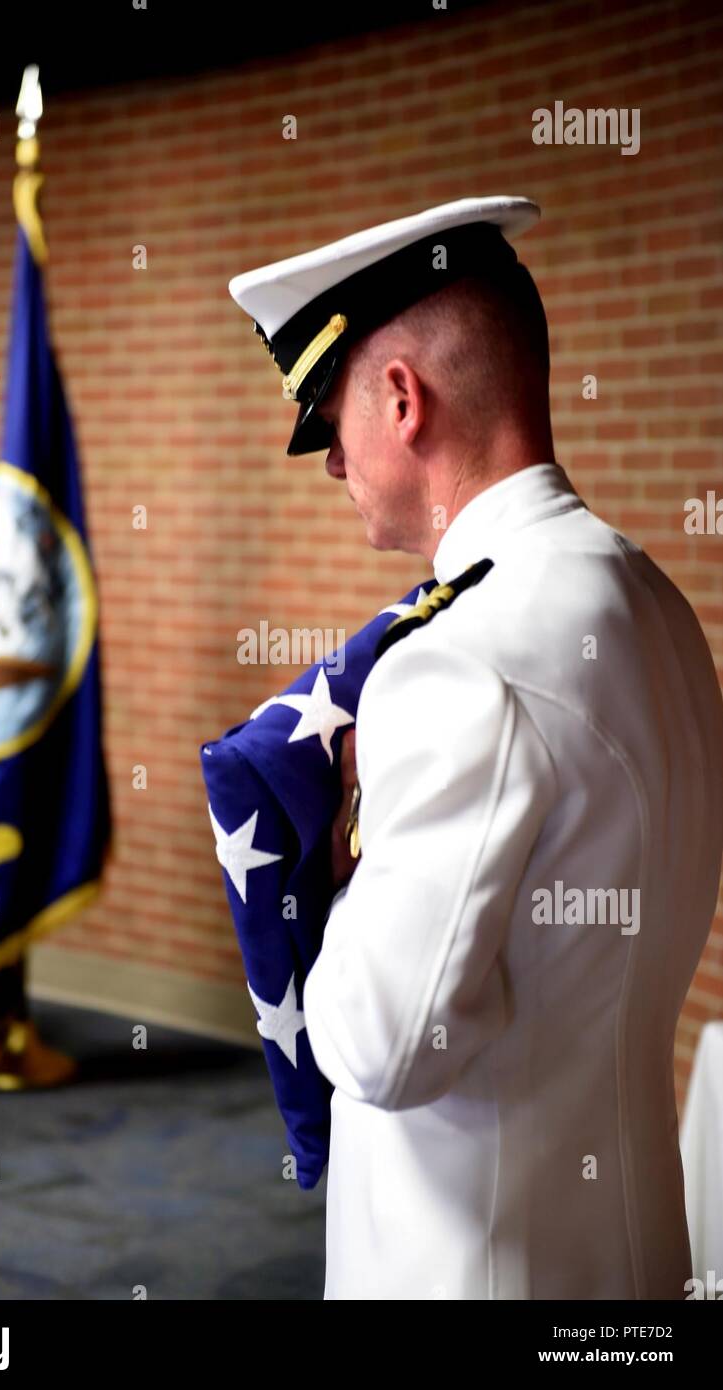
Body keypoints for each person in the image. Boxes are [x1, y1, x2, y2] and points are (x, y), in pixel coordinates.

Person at [227, 196, 723, 1299]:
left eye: (328, 422)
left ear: (402, 399)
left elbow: (384, 1051)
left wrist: (334, 868)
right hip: (623, 1251)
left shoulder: (456, 659)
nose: (329, 464)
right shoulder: (650, 600)